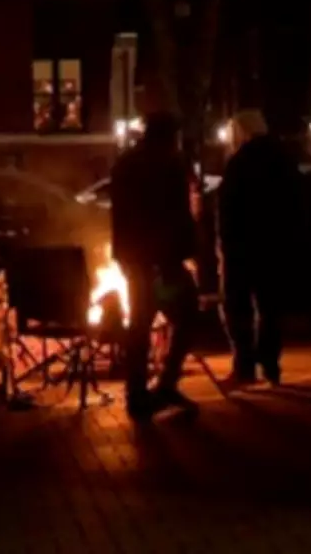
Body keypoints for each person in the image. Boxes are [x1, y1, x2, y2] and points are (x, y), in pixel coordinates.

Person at [110, 112, 199, 419]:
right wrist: (187, 251)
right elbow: (177, 213)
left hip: (135, 258)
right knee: (187, 315)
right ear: (169, 136)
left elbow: (119, 214)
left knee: (139, 323)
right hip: (164, 260)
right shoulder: (169, 164)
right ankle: (165, 384)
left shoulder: (125, 163)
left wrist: (121, 254)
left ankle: (137, 394)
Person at [217, 109, 305, 391]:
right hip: (275, 244)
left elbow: (228, 209)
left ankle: (244, 366)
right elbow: (296, 201)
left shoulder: (238, 163)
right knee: (270, 307)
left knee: (237, 306)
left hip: (242, 246)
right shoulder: (283, 159)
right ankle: (270, 364)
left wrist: (224, 245)